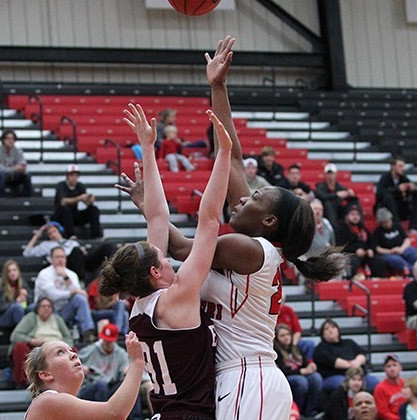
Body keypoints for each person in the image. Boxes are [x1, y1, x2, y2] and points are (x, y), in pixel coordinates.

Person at [117, 37, 347, 419]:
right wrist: (218, 87)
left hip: (245, 374)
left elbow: (180, 247)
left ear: (269, 221)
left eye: (255, 200)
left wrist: (153, 210)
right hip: (235, 377)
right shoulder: (257, 242)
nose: (243, 198)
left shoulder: (249, 249)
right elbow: (236, 160)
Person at [98, 104, 231, 418]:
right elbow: (210, 221)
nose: (170, 257)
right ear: (155, 271)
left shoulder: (142, 305)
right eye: (164, 257)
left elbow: (157, 217)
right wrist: (224, 153)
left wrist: (148, 146)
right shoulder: (176, 297)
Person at [22, 335, 145, 419]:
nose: (73, 354)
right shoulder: (47, 401)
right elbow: (114, 414)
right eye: (60, 352)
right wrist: (137, 362)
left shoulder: (67, 406)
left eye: (71, 350)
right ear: (45, 374)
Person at [77, 324, 142, 419]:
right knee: (101, 384)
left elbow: (125, 371)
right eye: (105, 340)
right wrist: (81, 368)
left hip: (110, 387)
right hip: (92, 387)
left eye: (109, 341)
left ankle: (136, 418)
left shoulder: (120, 353)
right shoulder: (91, 350)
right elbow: (76, 360)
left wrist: (126, 371)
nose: (107, 343)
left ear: (115, 340)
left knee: (130, 386)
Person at [34, 247, 95, 343]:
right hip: (48, 312)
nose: (60, 260)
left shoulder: (71, 274)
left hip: (65, 311)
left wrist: (65, 277)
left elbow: (78, 292)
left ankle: (88, 332)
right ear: (51, 259)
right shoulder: (44, 274)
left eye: (62, 257)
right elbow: (52, 295)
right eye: (57, 257)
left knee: (80, 298)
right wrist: (72, 292)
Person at [11, 297, 74, 388]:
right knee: (20, 347)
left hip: (56, 348)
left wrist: (61, 346)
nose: (46, 308)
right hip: (35, 349)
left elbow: (68, 338)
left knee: (73, 350)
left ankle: (68, 382)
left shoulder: (58, 320)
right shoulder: (31, 318)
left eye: (49, 306)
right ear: (37, 308)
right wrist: (32, 341)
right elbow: (15, 335)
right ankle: (25, 382)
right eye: (43, 306)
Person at [24, 221, 117, 280]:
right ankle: (81, 280)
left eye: (54, 231)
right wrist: (36, 236)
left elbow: (82, 252)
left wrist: (82, 251)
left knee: (107, 246)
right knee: (76, 251)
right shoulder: (45, 245)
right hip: (67, 263)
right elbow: (26, 253)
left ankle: (114, 270)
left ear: (59, 231)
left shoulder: (70, 242)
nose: (52, 235)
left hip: (82, 261)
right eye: (49, 234)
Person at [314, 318, 379, 392]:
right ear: (323, 334)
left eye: (333, 327)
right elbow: (332, 361)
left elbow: (362, 354)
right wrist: (352, 365)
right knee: (344, 384)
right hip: (335, 376)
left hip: (357, 374)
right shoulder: (321, 348)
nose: (330, 330)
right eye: (326, 329)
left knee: (374, 382)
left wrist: (357, 362)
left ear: (338, 330)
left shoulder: (349, 342)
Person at [273, 324, 322, 418]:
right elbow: (282, 371)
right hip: (286, 378)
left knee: (316, 378)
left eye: (288, 334)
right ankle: (296, 411)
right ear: (277, 338)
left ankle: (310, 411)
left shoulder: (296, 348)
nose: (286, 337)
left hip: (300, 374)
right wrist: (301, 372)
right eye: (283, 336)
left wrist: (311, 366)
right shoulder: (276, 351)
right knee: (301, 381)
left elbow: (305, 363)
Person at [375, 156, 417, 234]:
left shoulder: (403, 178)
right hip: (386, 209)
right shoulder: (385, 178)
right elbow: (380, 194)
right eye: (400, 166)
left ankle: (414, 227)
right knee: (389, 198)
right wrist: (397, 190)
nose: (403, 169)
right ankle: (397, 227)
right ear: (393, 166)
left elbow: (411, 188)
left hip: (400, 209)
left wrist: (412, 189)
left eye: (403, 166)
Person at [52, 164, 103, 239]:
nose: (74, 178)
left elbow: (87, 203)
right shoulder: (61, 185)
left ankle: (96, 235)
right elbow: (63, 201)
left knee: (94, 209)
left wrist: (90, 200)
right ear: (67, 176)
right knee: (66, 209)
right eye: (71, 175)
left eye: (76, 175)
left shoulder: (80, 186)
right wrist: (79, 198)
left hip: (73, 215)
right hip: (61, 216)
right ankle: (71, 235)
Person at [335, 204, 379, 279]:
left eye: (357, 214)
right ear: (347, 216)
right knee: (352, 261)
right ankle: (350, 281)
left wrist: (370, 249)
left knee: (378, 260)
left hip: (365, 254)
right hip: (350, 255)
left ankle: (378, 280)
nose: (355, 217)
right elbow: (341, 246)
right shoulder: (342, 229)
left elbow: (372, 242)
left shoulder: (363, 229)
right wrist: (355, 251)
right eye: (352, 214)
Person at [373, 208, 417, 277]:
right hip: (388, 253)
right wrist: (390, 251)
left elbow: (407, 239)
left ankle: (416, 267)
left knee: (412, 251)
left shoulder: (397, 226)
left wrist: (401, 249)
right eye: (385, 223)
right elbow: (377, 248)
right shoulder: (377, 232)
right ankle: (413, 270)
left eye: (388, 221)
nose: (388, 224)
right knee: (395, 259)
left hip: (401, 249)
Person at [0, 130, 31, 197]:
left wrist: (21, 168)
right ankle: (0, 200)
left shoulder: (18, 151)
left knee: (26, 175)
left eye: (12, 139)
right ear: (3, 140)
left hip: (11, 176)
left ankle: (27, 200)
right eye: (8, 138)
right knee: (1, 174)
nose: (10, 141)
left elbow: (22, 164)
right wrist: (14, 169)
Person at [0, 259, 29, 328]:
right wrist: (16, 301)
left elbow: (30, 301)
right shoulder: (0, 286)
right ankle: (21, 333)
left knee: (34, 307)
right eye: (9, 271)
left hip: (22, 311)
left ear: (18, 271)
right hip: (4, 316)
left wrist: (26, 298)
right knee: (17, 307)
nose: (12, 273)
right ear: (5, 274)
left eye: (14, 270)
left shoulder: (23, 284)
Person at [373, 355, 407, 420]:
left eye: (394, 365)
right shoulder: (380, 388)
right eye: (388, 366)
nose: (392, 369)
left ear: (400, 367)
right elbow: (382, 412)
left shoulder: (407, 384)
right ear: (384, 370)